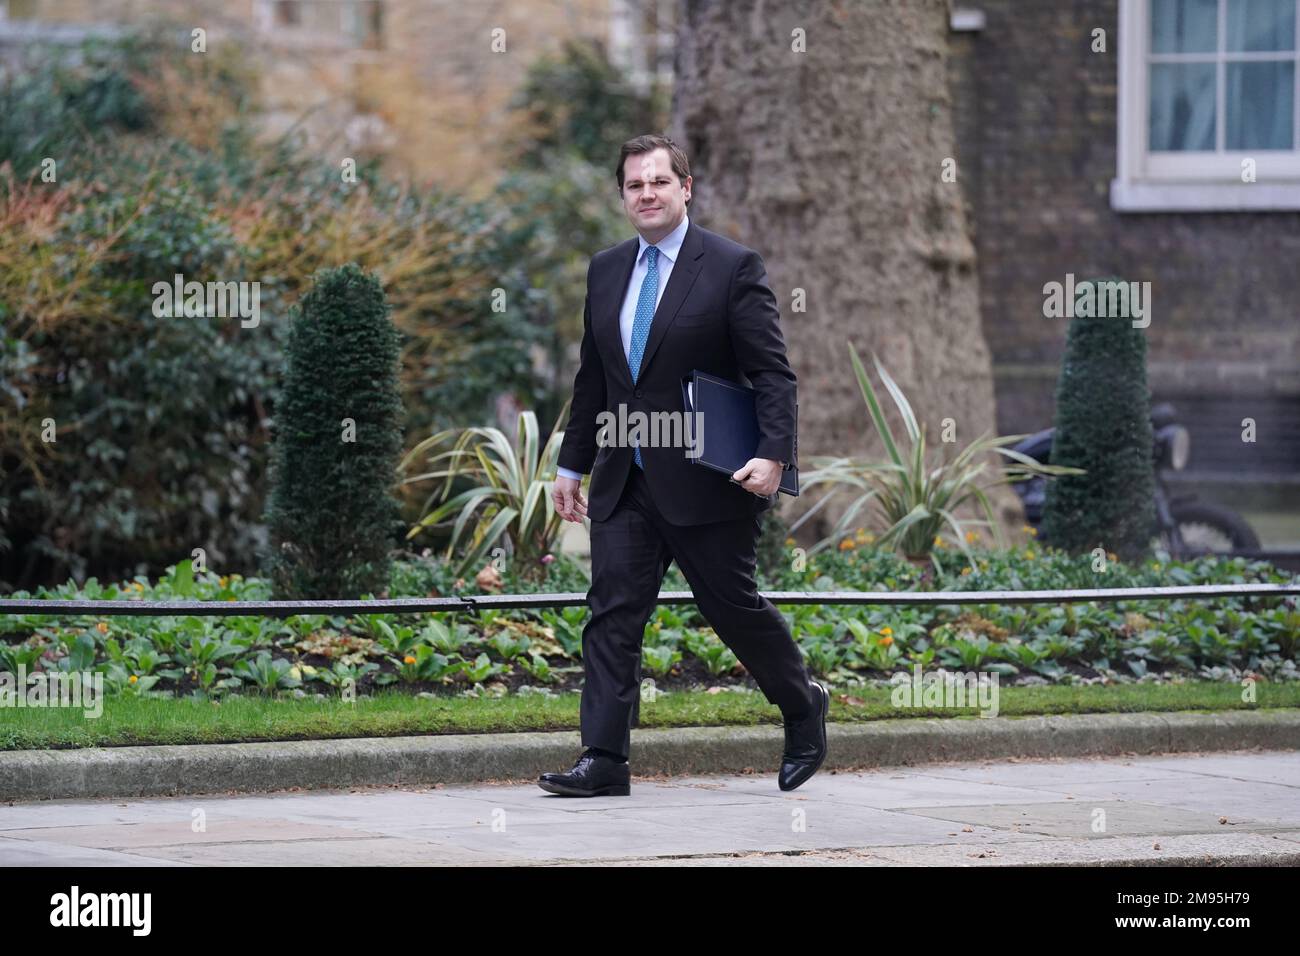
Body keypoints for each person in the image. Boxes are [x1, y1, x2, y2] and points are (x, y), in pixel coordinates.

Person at [538, 134, 828, 798]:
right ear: (622, 196)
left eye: (659, 182)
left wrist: (773, 454)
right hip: (625, 476)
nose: (647, 194)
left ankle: (802, 704)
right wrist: (570, 464)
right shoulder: (606, 270)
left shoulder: (730, 266)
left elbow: (772, 374)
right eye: (634, 185)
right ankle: (604, 757)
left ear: (686, 188)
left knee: (731, 608)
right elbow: (595, 379)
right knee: (612, 612)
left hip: (707, 478)